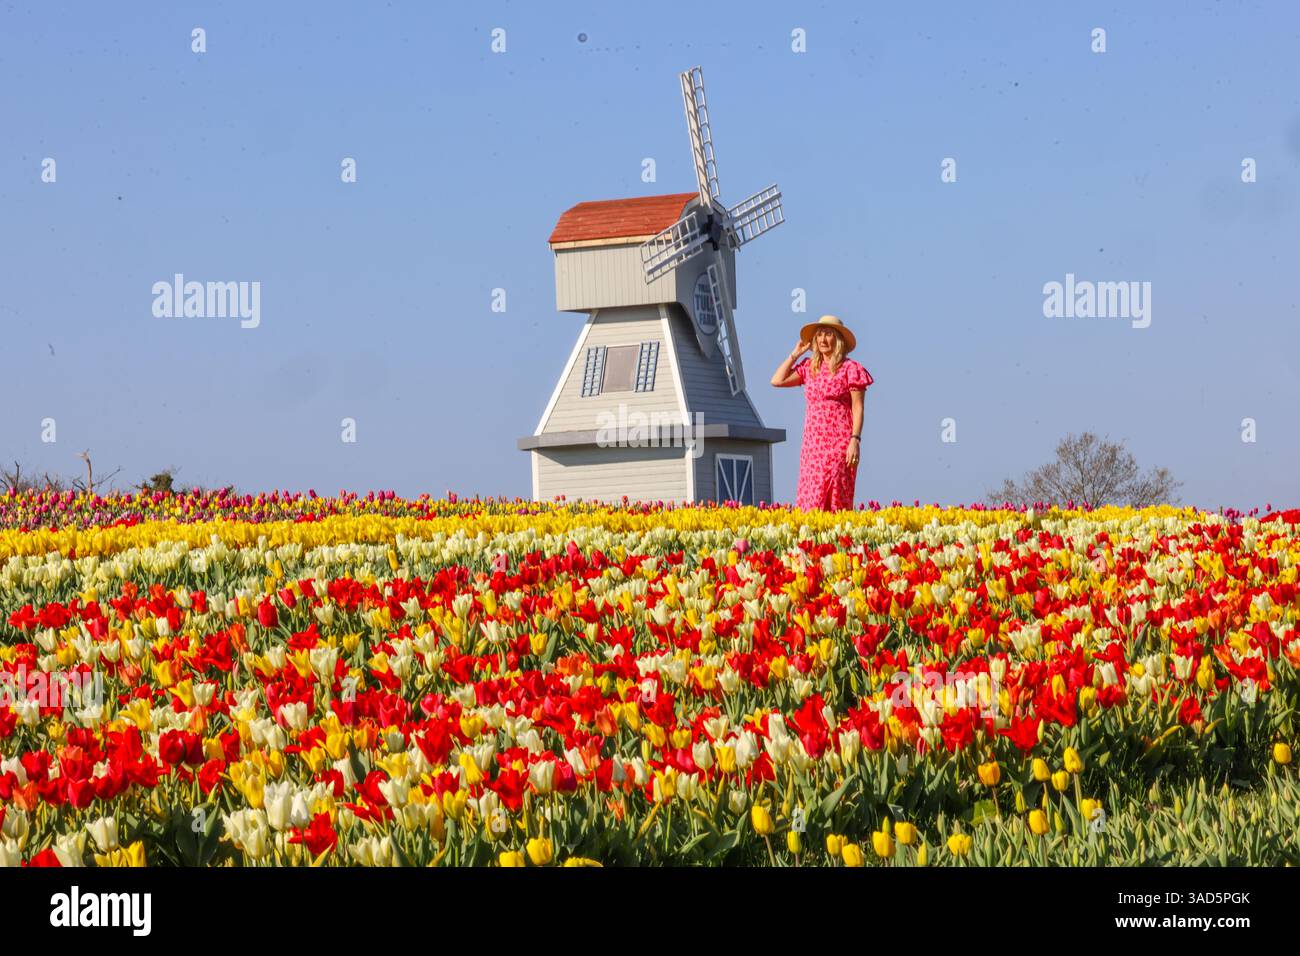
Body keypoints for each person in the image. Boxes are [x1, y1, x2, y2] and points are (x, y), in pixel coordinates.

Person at [770, 314, 873, 511]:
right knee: (811, 501)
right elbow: (777, 380)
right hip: (813, 446)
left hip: (839, 444)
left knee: (835, 497)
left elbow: (858, 407)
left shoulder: (851, 369)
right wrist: (796, 353)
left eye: (828, 334)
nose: (823, 339)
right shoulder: (810, 367)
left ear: (838, 339)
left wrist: (855, 440)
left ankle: (836, 539)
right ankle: (813, 541)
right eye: (819, 335)